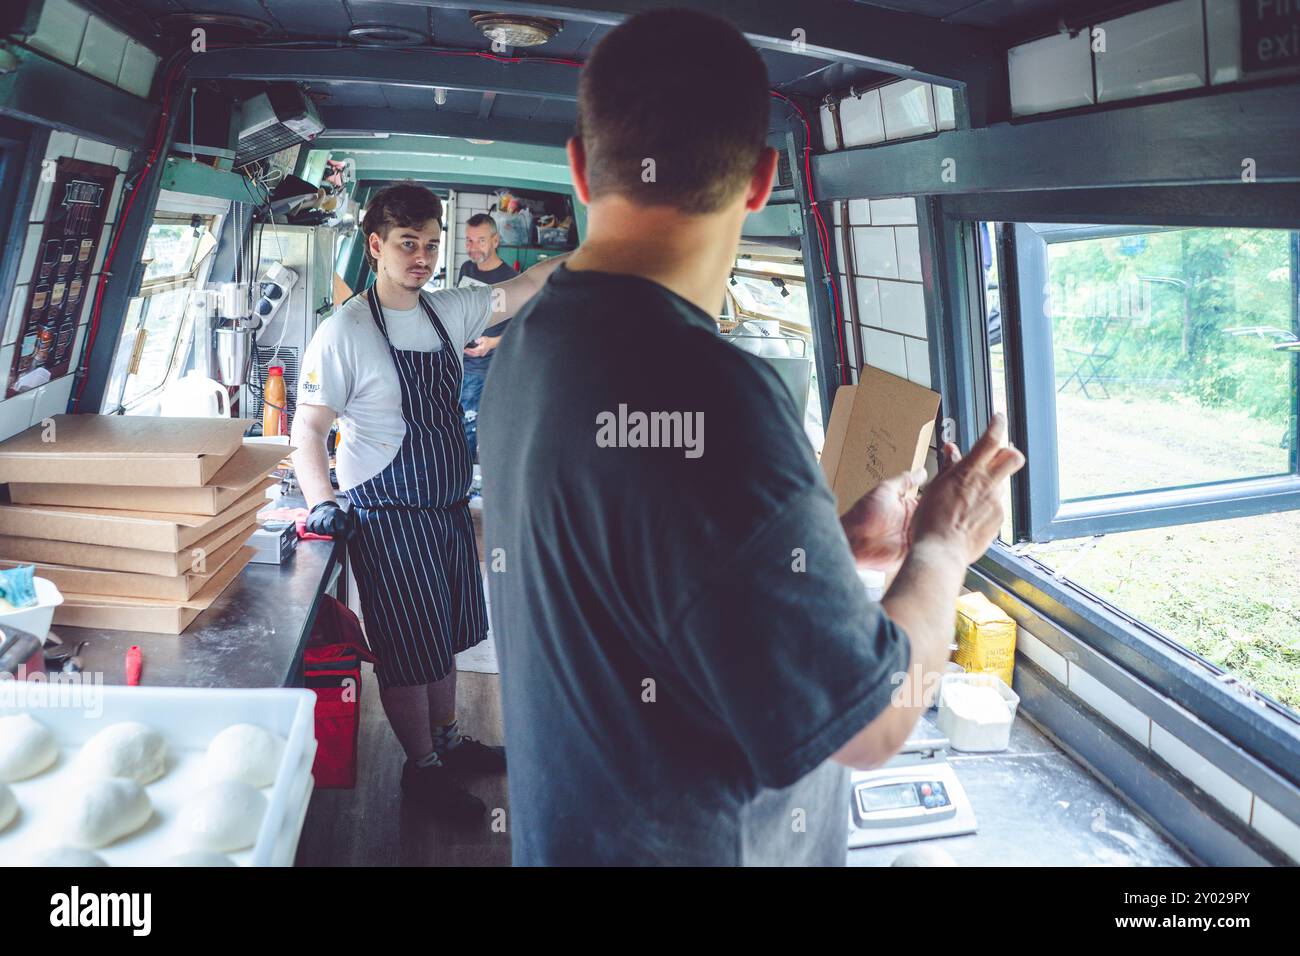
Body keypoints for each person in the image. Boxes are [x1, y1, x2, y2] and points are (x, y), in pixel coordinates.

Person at [479, 10, 1023, 865]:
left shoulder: (534, 345)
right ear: (766, 178)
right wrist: (947, 547)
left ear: (580, 169)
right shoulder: (716, 400)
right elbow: (873, 726)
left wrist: (838, 552)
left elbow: (662, 576)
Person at [292, 181, 567, 823]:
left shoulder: (449, 310)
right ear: (376, 245)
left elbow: (527, 287)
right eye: (408, 244)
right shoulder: (346, 330)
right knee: (405, 655)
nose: (422, 257)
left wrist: (604, 245)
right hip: (385, 515)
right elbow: (307, 429)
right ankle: (423, 772)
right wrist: (319, 500)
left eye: (432, 245)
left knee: (443, 640)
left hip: (444, 509)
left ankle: (446, 744)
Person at [456, 213, 518, 468]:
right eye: (469, 241)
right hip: (459, 363)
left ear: (495, 240)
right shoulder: (466, 269)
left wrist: (491, 343)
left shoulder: (512, 279)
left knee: (468, 429)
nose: (473, 248)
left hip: (485, 368)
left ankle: (464, 486)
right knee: (455, 426)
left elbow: (522, 328)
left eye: (480, 241)